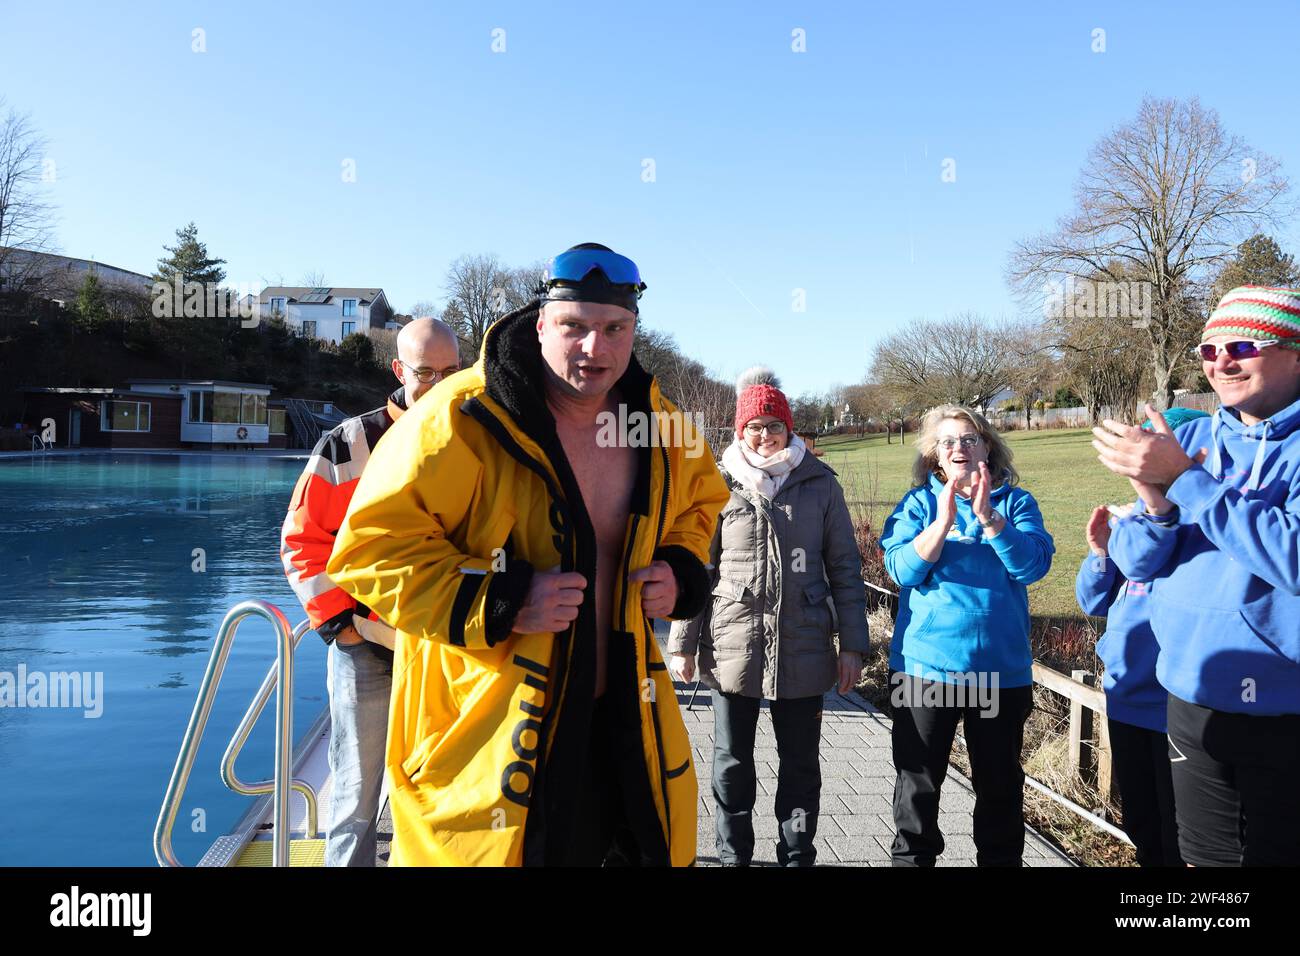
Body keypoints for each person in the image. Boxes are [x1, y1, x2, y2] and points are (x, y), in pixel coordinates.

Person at [324, 243, 729, 866]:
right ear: (542, 323)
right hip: (491, 726)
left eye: (614, 329)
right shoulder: (460, 416)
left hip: (621, 719)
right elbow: (371, 550)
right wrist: (502, 600)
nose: (595, 349)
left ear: (633, 331)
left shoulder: (658, 422)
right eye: (575, 327)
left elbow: (701, 505)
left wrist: (679, 568)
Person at [1096, 285, 1300, 866]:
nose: (1221, 363)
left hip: (1285, 706)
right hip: (1188, 694)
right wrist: (1153, 505)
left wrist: (1185, 482)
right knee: (1204, 866)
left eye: (1242, 345)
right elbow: (1134, 561)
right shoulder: (1189, 438)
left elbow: (1293, 559)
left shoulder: (1183, 458)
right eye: (1208, 351)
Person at [666, 367, 867, 867]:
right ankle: (734, 856)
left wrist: (853, 647)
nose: (764, 434)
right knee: (732, 764)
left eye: (773, 424)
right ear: (740, 430)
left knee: (800, 766)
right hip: (733, 647)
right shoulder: (716, 485)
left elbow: (844, 567)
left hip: (803, 648)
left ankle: (796, 856)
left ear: (789, 429)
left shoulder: (820, 484)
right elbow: (697, 567)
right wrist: (682, 643)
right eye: (754, 425)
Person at [280, 317, 460, 866]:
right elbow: (301, 541)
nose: (438, 384)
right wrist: (344, 627)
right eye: (425, 372)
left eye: (451, 372)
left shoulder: (476, 437)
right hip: (369, 646)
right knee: (357, 796)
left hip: (450, 651)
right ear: (398, 369)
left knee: (446, 791)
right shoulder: (349, 444)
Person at [879, 404, 1054, 866]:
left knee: (999, 789)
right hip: (924, 669)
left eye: (970, 438)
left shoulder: (1017, 503)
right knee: (918, 786)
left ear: (988, 446)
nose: (959, 447)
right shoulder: (916, 504)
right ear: (935, 455)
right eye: (948, 441)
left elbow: (1033, 565)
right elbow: (901, 570)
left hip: (999, 672)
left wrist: (990, 518)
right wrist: (941, 523)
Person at [1074, 408, 1207, 868]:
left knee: (1185, 840)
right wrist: (1098, 554)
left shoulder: (1207, 524)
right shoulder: (1130, 521)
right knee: (1144, 827)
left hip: (1180, 709)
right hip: (1127, 698)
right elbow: (1092, 602)